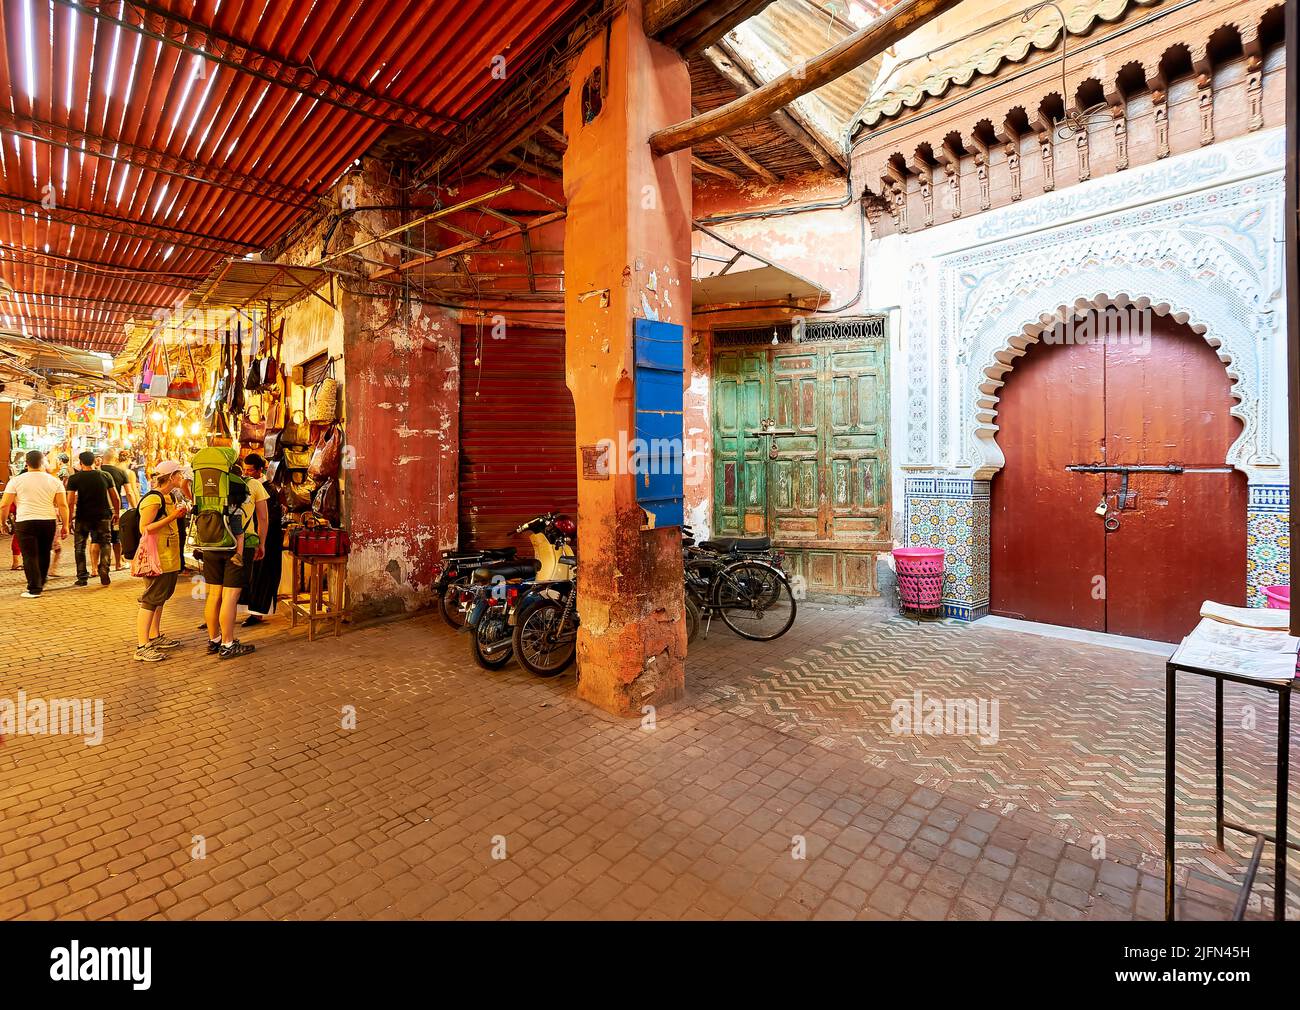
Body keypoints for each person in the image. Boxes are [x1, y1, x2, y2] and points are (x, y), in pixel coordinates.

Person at [201, 457, 264, 661]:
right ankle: (228, 644)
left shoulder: (211, 489)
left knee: (213, 595)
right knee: (230, 596)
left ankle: (215, 640)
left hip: (211, 545)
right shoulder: (251, 485)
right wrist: (261, 543)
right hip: (235, 547)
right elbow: (263, 518)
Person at [133, 461, 189, 662]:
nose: (181, 478)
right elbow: (145, 528)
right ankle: (142, 645)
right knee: (151, 599)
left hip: (169, 556)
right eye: (179, 475)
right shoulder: (154, 499)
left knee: (160, 597)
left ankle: (154, 636)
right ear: (172, 476)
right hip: (157, 557)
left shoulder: (169, 496)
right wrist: (173, 516)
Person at [0, 450, 69, 598]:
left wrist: (3, 522)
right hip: (48, 520)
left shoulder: (16, 481)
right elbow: (63, 505)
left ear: (26, 463)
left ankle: (34, 587)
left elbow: (4, 504)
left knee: (29, 555)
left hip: (25, 521)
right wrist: (65, 525)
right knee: (44, 553)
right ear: (43, 462)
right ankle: (41, 581)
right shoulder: (54, 481)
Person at [65, 450, 119, 587]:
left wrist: (69, 518)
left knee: (79, 547)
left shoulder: (74, 479)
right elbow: (115, 497)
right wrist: (116, 513)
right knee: (105, 543)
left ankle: (82, 577)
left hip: (82, 517)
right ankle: (104, 568)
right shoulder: (105, 475)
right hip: (103, 516)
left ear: (81, 463)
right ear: (95, 461)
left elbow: (70, 501)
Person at [239, 454, 281, 625]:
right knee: (250, 575)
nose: (247, 473)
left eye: (250, 470)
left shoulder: (269, 489)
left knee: (262, 575)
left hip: (266, 539)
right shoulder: (247, 486)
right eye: (245, 470)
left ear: (259, 470)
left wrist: (261, 540)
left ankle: (257, 613)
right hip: (250, 538)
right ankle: (249, 610)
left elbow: (268, 518)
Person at [99, 453, 135, 571]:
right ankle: (118, 563)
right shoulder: (121, 472)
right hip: (115, 509)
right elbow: (129, 492)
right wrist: (134, 508)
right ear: (114, 459)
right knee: (116, 537)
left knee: (98, 539)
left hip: (98, 510)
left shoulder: (96, 472)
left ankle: (96, 567)